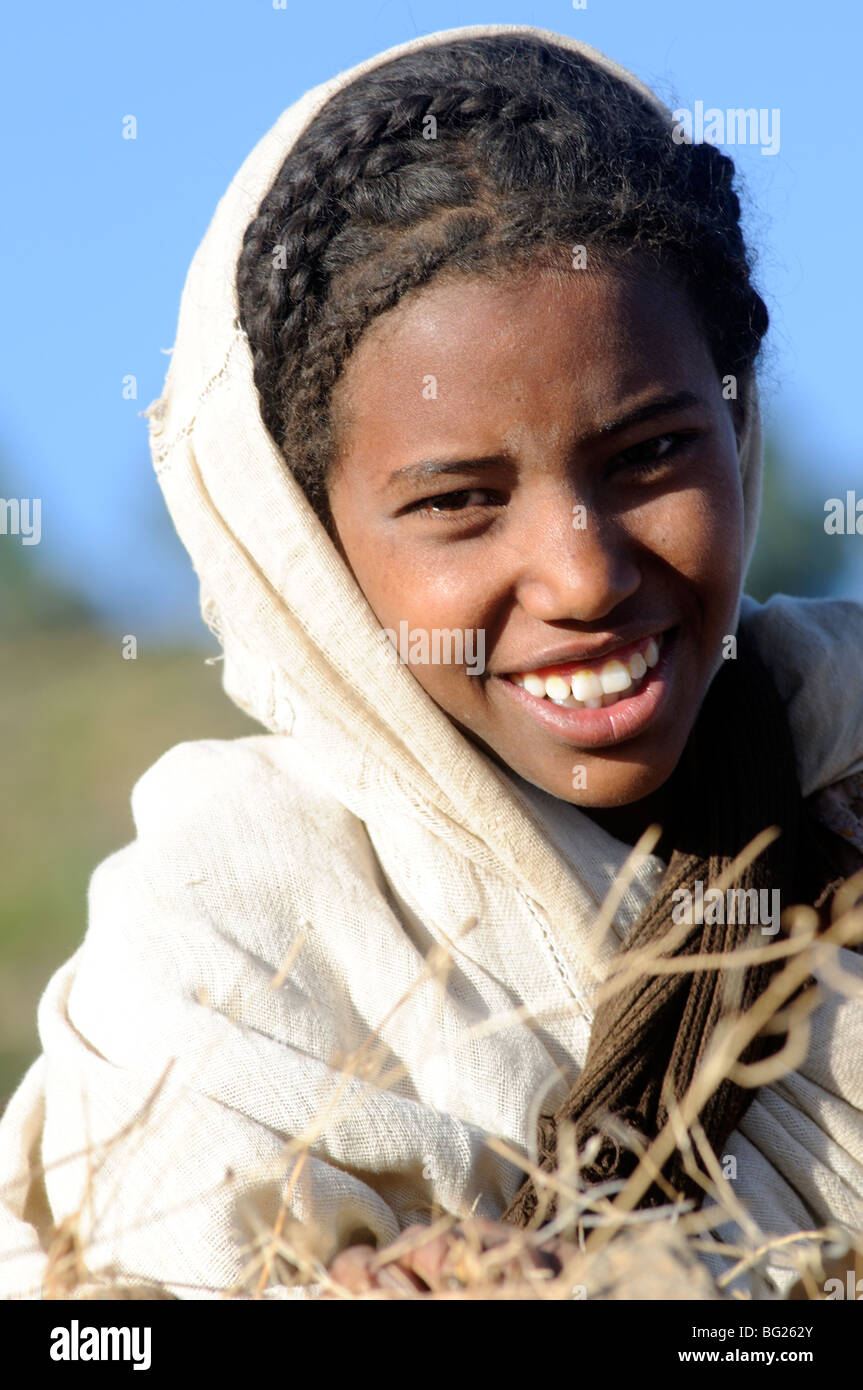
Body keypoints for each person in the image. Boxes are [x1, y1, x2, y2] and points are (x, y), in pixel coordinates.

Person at [1, 23, 862, 1301]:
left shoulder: (838, 771)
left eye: (647, 457)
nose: (583, 578)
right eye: (460, 500)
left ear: (733, 420)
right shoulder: (217, 967)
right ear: (312, 552)